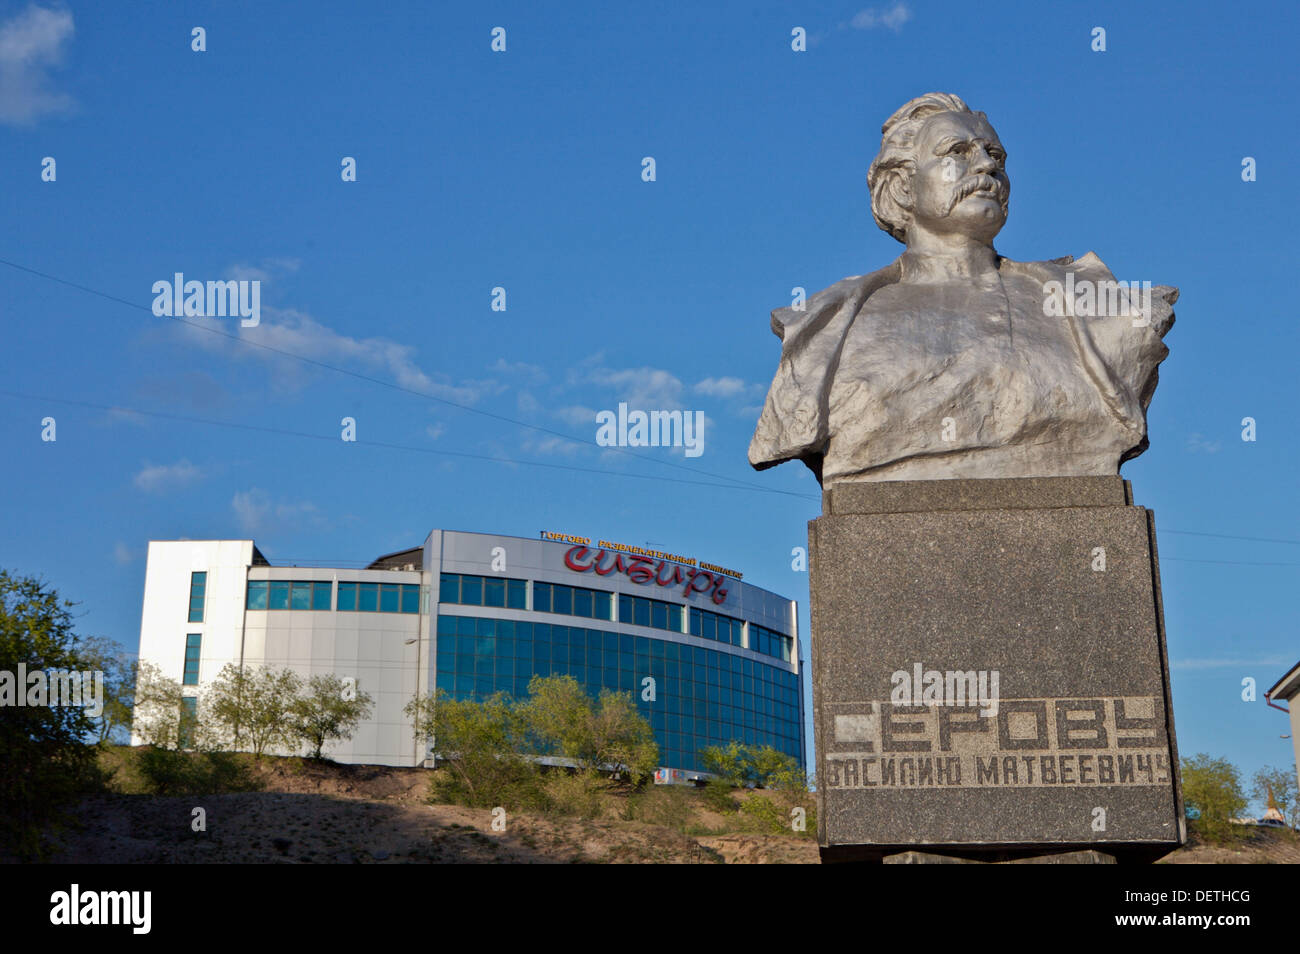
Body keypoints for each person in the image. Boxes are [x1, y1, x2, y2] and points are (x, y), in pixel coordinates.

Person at [749, 93, 1177, 486]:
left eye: (995, 155)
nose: (987, 166)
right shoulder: (828, 321)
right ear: (901, 187)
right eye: (957, 152)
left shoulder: (1098, 305)